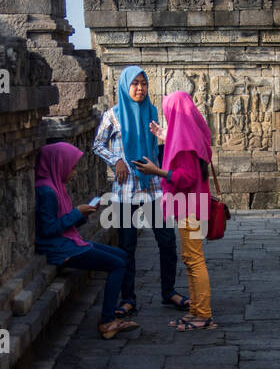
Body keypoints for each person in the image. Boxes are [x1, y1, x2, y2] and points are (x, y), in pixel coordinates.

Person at [91, 65, 190, 320]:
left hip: (154, 188)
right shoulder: (113, 115)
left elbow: (163, 145)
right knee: (127, 246)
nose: (139, 88)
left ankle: (169, 291)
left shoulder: (152, 112)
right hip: (125, 191)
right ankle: (128, 298)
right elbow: (98, 145)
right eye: (134, 84)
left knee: (167, 242)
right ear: (125, 86)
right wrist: (116, 161)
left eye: (143, 83)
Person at [34, 142, 138, 339]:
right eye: (72, 167)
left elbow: (65, 223)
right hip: (60, 248)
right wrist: (76, 213)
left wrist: (83, 214)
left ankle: (112, 310)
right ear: (58, 165)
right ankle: (107, 320)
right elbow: (48, 229)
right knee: (116, 264)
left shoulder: (56, 186)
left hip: (68, 241)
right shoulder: (47, 191)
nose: (74, 172)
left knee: (122, 256)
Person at [132, 91, 215, 331]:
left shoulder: (185, 144)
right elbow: (183, 153)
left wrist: (156, 171)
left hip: (190, 205)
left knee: (195, 260)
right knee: (190, 258)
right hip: (192, 203)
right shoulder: (191, 135)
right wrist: (163, 135)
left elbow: (186, 177)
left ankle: (204, 314)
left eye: (169, 113)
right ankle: (196, 310)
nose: (168, 117)